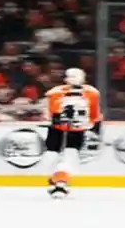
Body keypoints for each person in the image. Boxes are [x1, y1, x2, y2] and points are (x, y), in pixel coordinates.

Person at [43, 68, 102, 198]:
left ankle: (60, 182)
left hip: (69, 129)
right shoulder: (56, 93)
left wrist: (92, 127)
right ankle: (58, 181)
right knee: (59, 155)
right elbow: (95, 115)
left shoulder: (56, 92)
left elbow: (94, 114)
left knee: (66, 155)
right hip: (65, 129)